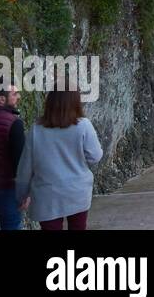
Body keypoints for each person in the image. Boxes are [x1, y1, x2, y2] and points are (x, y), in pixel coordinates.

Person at [15, 90, 102, 230]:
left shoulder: (36, 130)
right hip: (77, 191)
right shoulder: (84, 125)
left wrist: (21, 195)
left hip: (47, 195)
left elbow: (25, 168)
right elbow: (95, 156)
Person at [0, 85, 25, 230]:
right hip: (6, 189)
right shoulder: (14, 123)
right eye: (14, 94)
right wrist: (25, 193)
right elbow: (20, 164)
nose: (18, 97)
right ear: (2, 99)